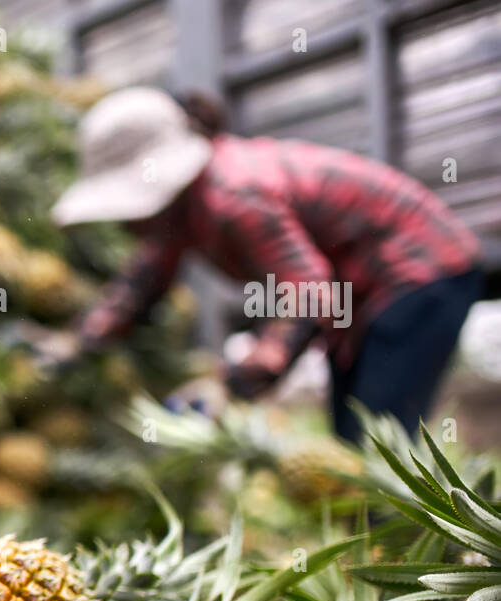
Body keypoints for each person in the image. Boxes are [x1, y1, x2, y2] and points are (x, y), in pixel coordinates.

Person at [50, 87, 483, 441]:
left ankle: (415, 544)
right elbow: (143, 281)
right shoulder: (180, 211)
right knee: (352, 431)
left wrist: (232, 383)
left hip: (422, 271)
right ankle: (376, 541)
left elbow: (311, 296)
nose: (125, 223)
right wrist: (76, 342)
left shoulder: (235, 196)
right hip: (358, 293)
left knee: (377, 438)